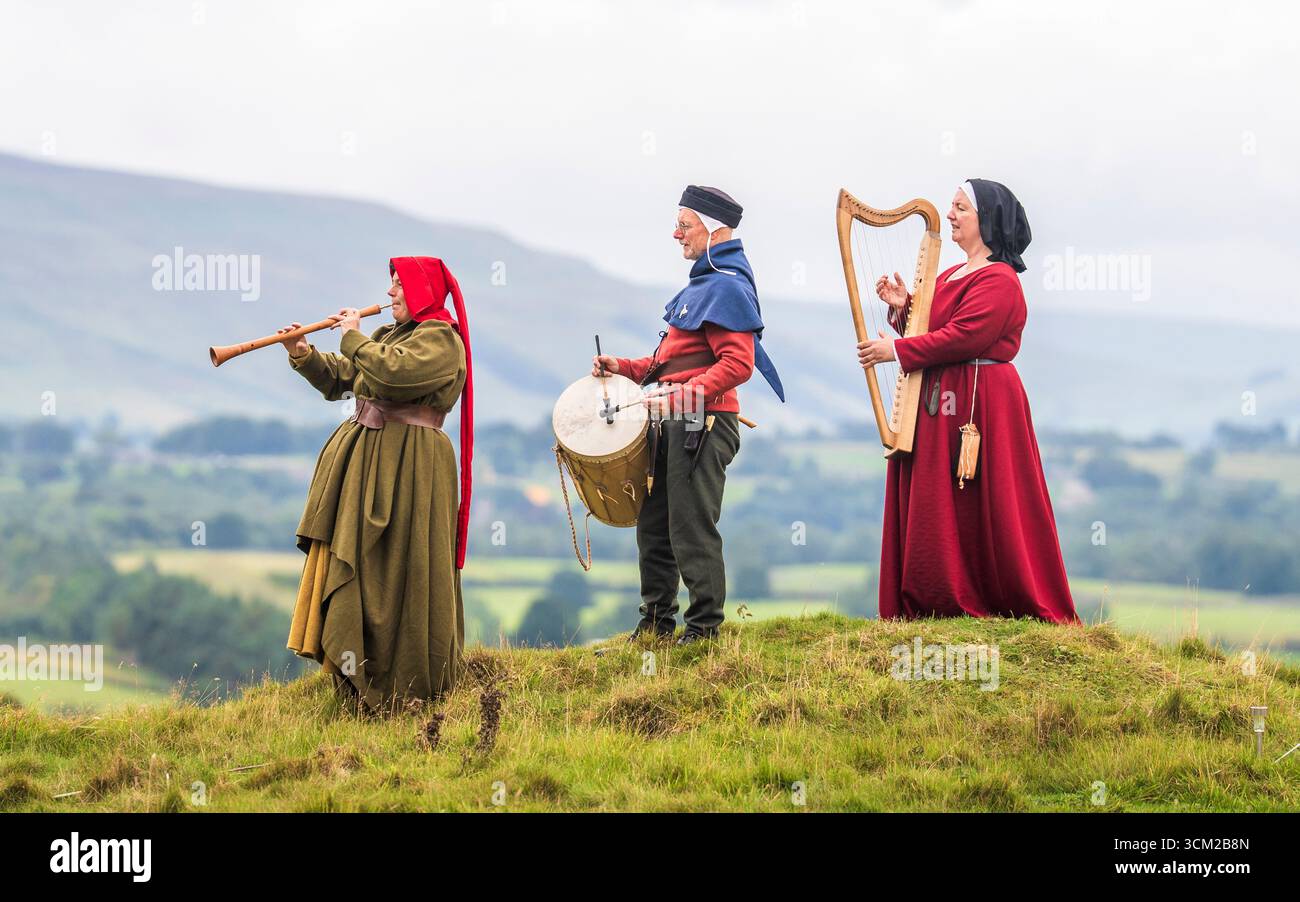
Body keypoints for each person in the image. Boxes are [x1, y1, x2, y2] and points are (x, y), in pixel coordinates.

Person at [856, 179, 1077, 623]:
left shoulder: (1001, 280)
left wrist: (896, 351)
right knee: (940, 499)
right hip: (942, 399)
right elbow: (935, 331)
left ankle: (983, 593)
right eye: (951, 207)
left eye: (960, 208)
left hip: (981, 404)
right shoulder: (951, 274)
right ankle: (934, 595)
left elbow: (965, 337)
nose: (951, 215)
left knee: (983, 500)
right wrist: (903, 310)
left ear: (986, 221)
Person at [592, 185, 785, 645]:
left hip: (702, 423)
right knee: (655, 526)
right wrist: (625, 367)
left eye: (684, 224)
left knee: (690, 528)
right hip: (677, 422)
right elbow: (672, 365)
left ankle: (703, 630)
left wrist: (679, 401)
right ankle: (655, 625)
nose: (675, 233)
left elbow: (738, 365)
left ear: (713, 229)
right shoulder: (705, 285)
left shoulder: (727, 286)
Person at [282, 256, 474, 710]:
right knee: (365, 569)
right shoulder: (391, 336)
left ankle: (406, 685)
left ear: (422, 291)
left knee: (406, 566)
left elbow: (395, 373)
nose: (389, 294)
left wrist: (352, 336)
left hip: (413, 470)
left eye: (398, 285)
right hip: (371, 470)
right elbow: (348, 380)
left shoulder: (441, 340)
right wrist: (304, 354)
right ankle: (356, 677)